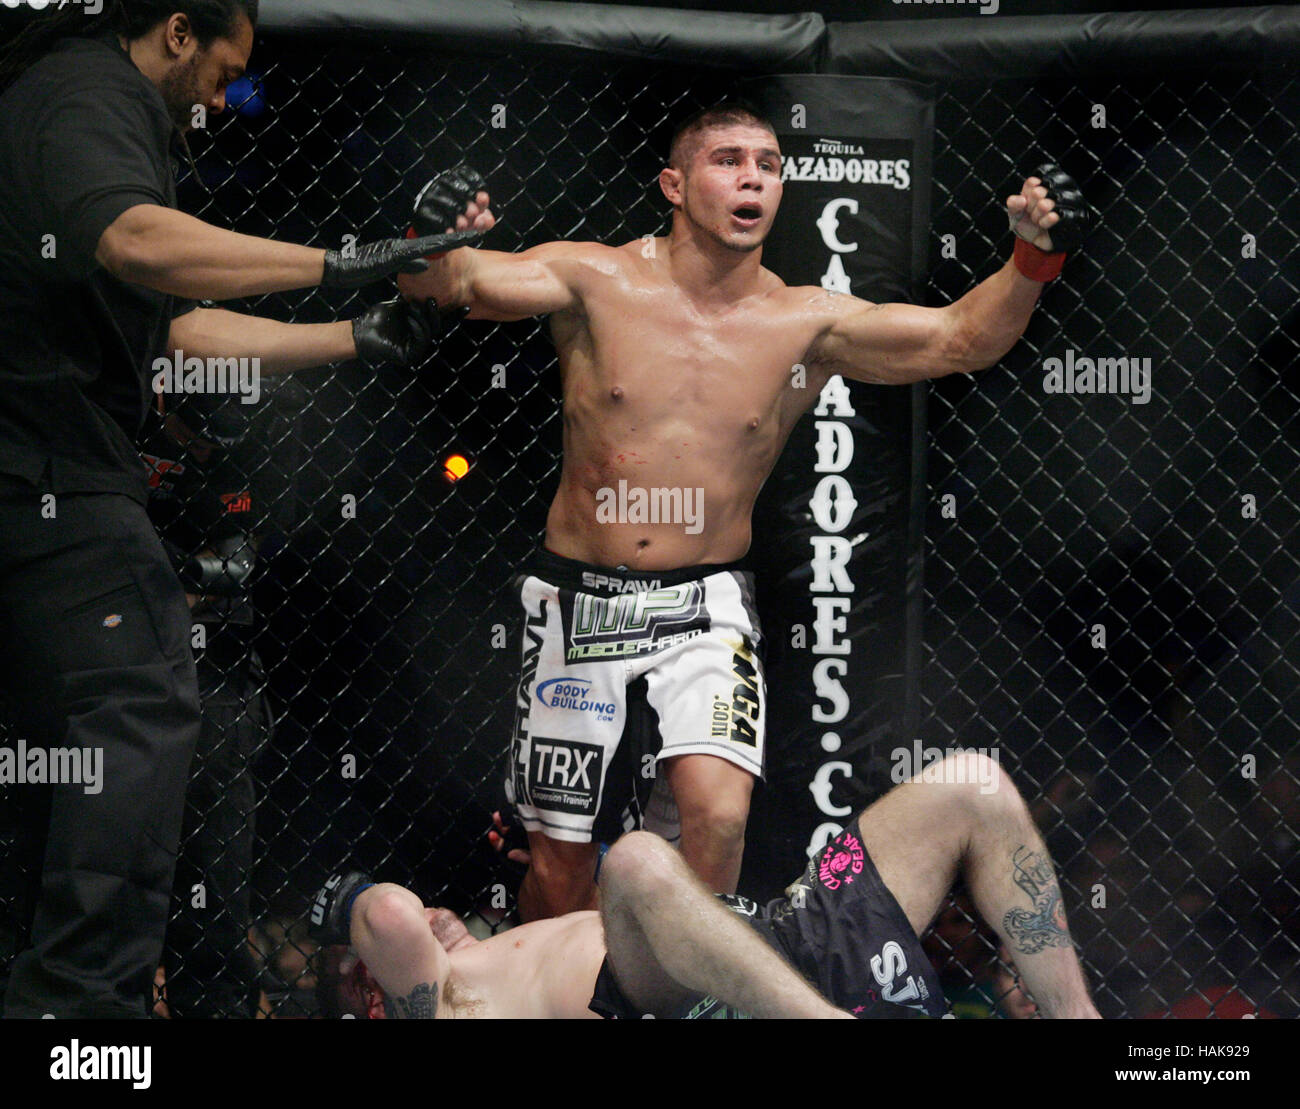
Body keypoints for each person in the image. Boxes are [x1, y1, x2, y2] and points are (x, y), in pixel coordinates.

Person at [396, 100, 1092, 919]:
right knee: (560, 865)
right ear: (675, 184)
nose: (752, 176)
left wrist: (1034, 258)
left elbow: (959, 339)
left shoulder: (803, 321)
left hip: (705, 603)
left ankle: (682, 1000)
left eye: (767, 163)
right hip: (578, 598)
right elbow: (454, 287)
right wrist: (430, 234)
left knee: (720, 818)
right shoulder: (594, 276)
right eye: (727, 159)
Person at [0, 0, 487, 1017]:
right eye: (226, 68)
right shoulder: (90, 88)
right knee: (139, 705)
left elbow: (172, 323)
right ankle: (81, 1019)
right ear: (178, 31)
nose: (228, 96)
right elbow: (140, 243)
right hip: (45, 468)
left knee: (71, 741)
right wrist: (339, 258)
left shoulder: (76, 100)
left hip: (45, 469)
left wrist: (358, 332)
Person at [314, 753, 1101, 1019]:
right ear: (374, 992)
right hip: (668, 1008)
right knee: (635, 861)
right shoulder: (451, 998)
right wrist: (355, 912)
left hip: (774, 950)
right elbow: (380, 909)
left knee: (974, 787)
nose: (426, 909)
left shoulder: (473, 956)